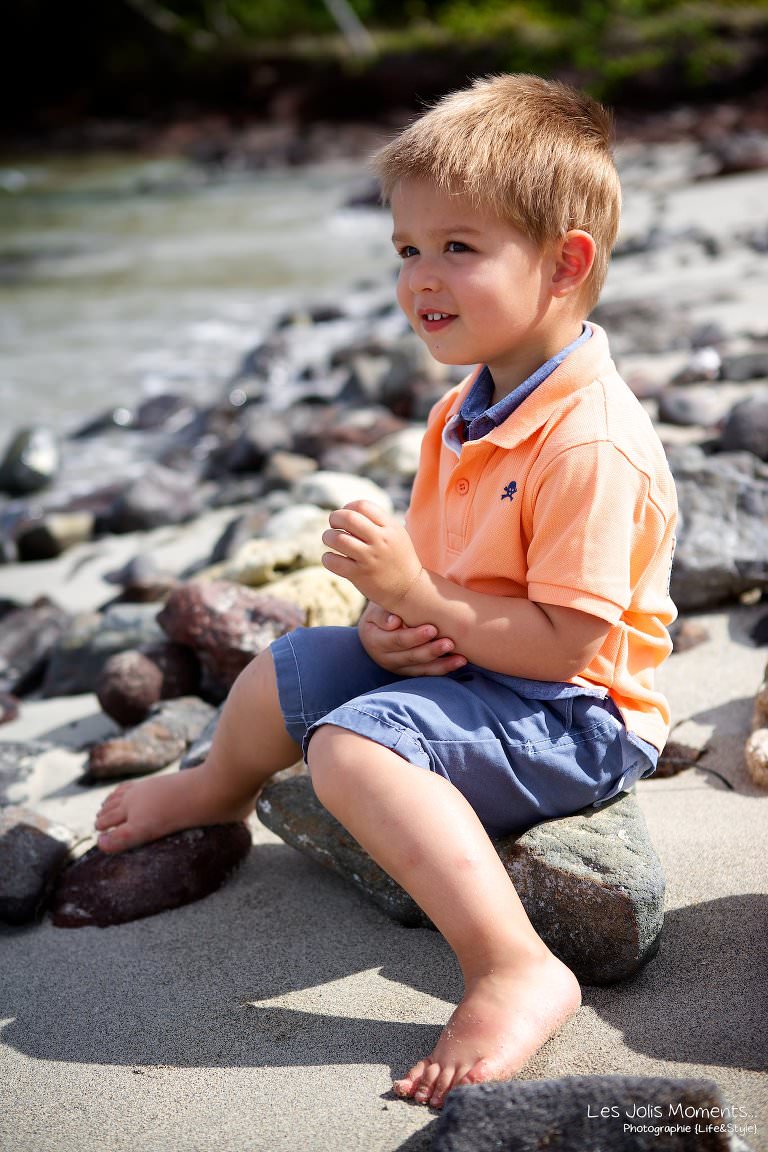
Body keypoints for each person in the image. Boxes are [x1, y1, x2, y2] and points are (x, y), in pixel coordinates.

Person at [94, 73, 678, 1110]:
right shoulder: (466, 406)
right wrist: (394, 617)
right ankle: (220, 787)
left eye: (459, 246)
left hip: (578, 713)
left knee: (350, 748)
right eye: (406, 250)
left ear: (565, 263)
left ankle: (513, 966)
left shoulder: (592, 443)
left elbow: (562, 653)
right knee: (295, 664)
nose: (421, 277)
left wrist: (425, 597)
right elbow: (447, 572)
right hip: (485, 659)